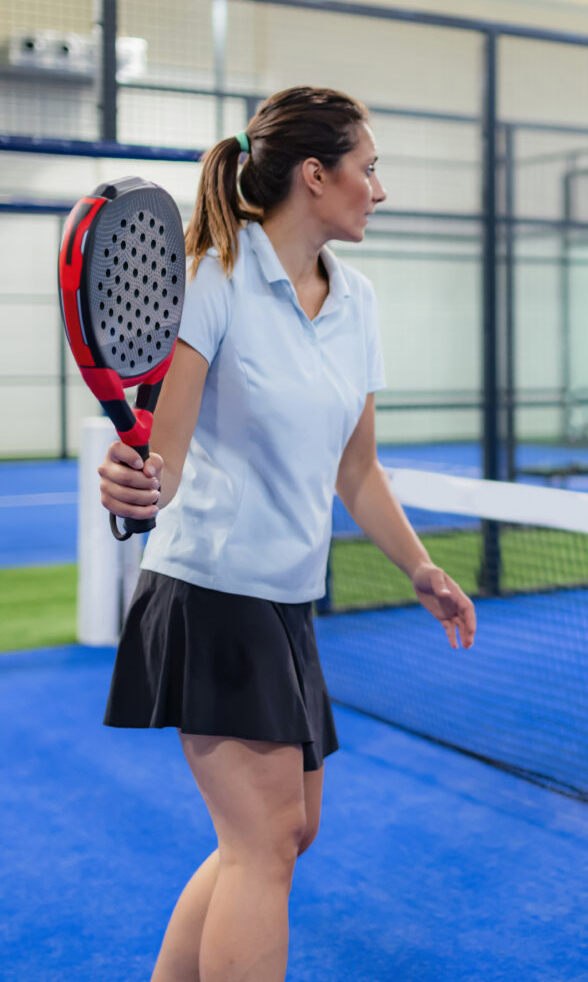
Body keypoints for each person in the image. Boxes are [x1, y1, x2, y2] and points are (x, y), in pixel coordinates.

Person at [97, 86, 477, 981]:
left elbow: (358, 469)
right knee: (262, 842)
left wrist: (419, 567)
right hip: (209, 592)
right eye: (368, 169)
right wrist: (133, 486)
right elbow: (165, 458)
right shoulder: (212, 281)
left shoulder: (358, 301)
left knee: (285, 834)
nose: (379, 189)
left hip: (287, 603)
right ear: (315, 174)